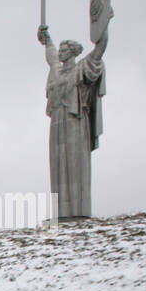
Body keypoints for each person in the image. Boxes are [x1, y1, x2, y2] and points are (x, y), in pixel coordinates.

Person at [38, 12, 109, 220]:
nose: (60, 52)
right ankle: (61, 213)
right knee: (58, 166)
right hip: (57, 126)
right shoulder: (56, 72)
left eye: (64, 49)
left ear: (73, 52)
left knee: (76, 166)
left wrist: (103, 26)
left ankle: (79, 212)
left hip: (75, 124)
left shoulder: (81, 69)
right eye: (60, 49)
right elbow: (50, 54)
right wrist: (46, 38)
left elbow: (100, 50)